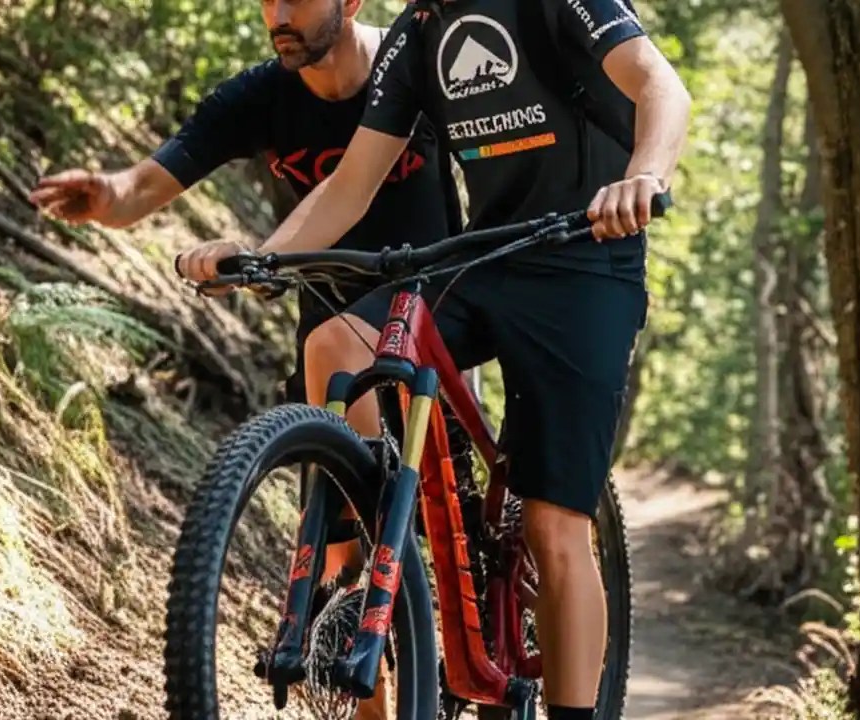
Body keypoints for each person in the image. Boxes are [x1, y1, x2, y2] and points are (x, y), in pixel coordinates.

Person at [178, 0, 692, 718]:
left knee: (552, 524)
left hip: (586, 263)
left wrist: (645, 175)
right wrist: (265, 257)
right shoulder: (418, 32)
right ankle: (366, 543)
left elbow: (661, 87)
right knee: (332, 343)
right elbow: (351, 183)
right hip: (485, 258)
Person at [29, 1, 462, 716]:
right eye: (268, 0)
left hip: (435, 305)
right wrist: (107, 196)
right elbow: (141, 187)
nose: (279, 14)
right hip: (330, 320)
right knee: (333, 542)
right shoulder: (257, 96)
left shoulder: (414, 64)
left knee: (448, 527)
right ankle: (368, 672)